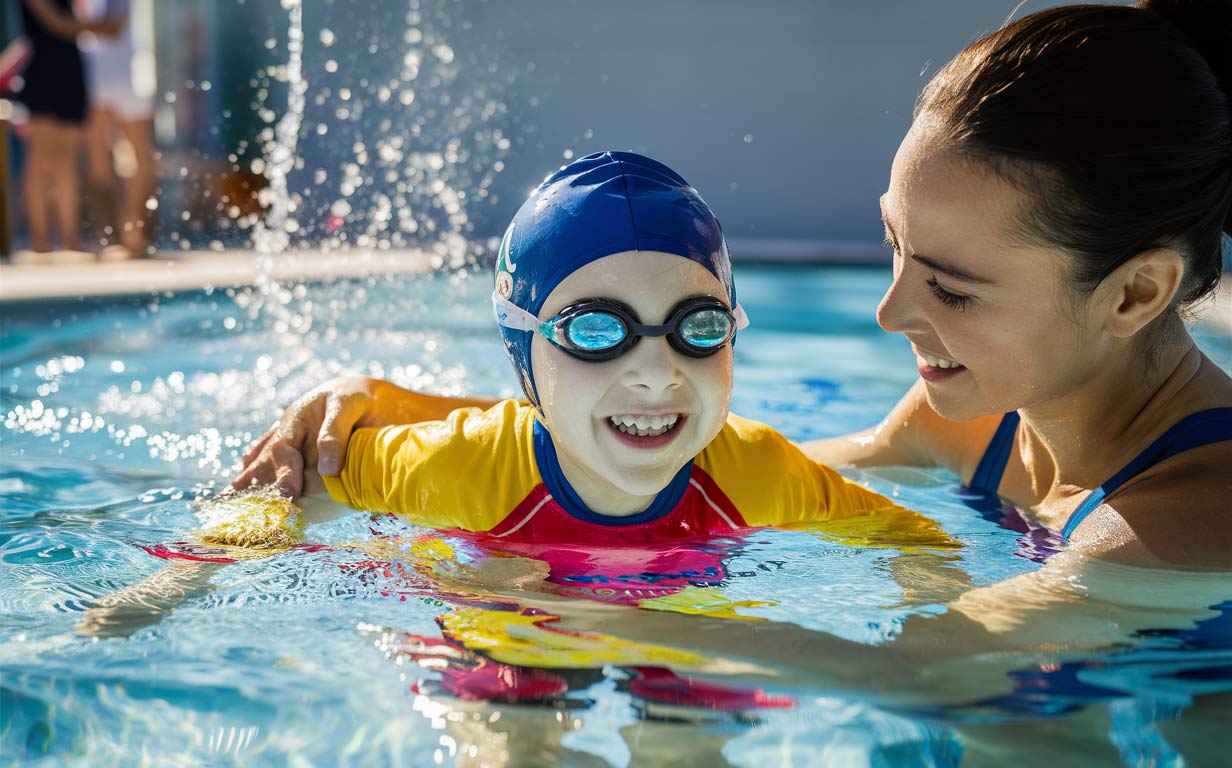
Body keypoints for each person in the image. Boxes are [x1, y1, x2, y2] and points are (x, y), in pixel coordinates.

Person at [236, 0, 1232, 571]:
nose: (889, 313)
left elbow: (923, 670)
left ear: (1134, 293)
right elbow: (687, 466)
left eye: (953, 289)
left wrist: (533, 610)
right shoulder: (975, 424)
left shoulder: (1187, 516)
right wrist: (387, 422)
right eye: (890, 249)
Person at [12, 0, 121, 253]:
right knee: (40, 158)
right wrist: (104, 28)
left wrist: (96, 25)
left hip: (70, 67)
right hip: (42, 69)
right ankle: (39, 240)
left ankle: (70, 239)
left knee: (67, 158)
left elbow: (75, 18)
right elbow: (55, 23)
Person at [79, 0, 156, 258]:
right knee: (98, 157)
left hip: (129, 74)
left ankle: (134, 230)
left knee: (139, 156)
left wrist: (60, 25)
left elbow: (114, 27)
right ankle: (107, 235)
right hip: (96, 74)